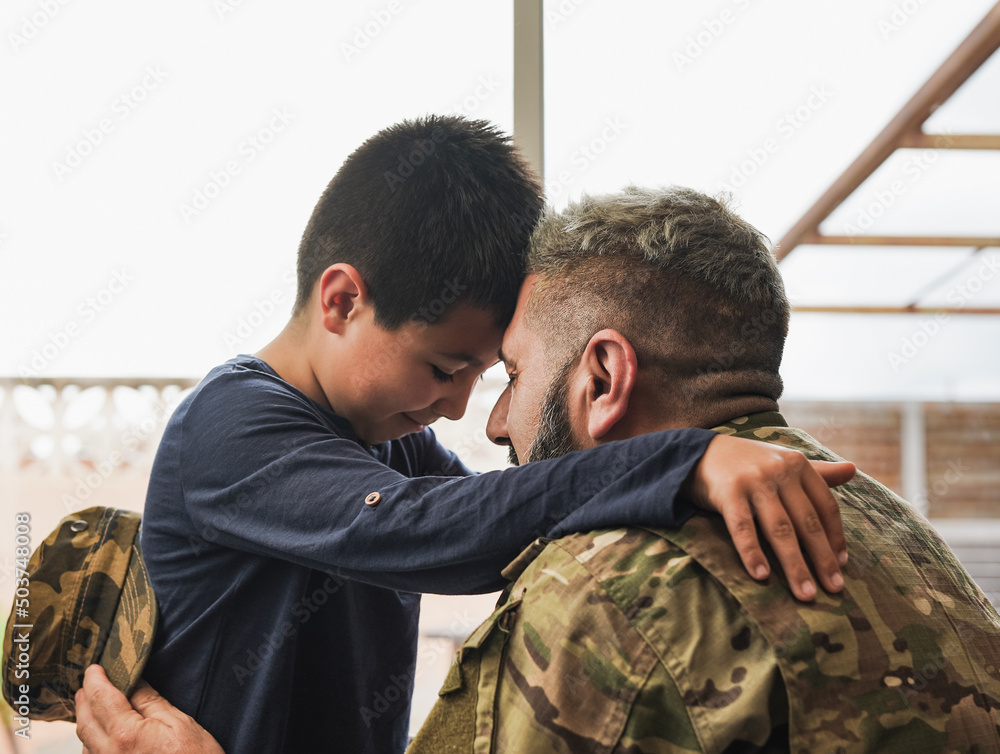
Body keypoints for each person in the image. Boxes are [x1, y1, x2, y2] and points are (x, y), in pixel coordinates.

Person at [94, 119, 852, 754]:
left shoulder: (383, 434)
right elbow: (428, 527)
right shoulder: (230, 426)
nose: (460, 409)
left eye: (485, 374)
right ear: (343, 300)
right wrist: (684, 459)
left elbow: (503, 521)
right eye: (444, 368)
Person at [406, 186, 1000, 751]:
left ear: (604, 380)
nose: (497, 423)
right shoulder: (898, 529)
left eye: (513, 376)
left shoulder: (603, 583)